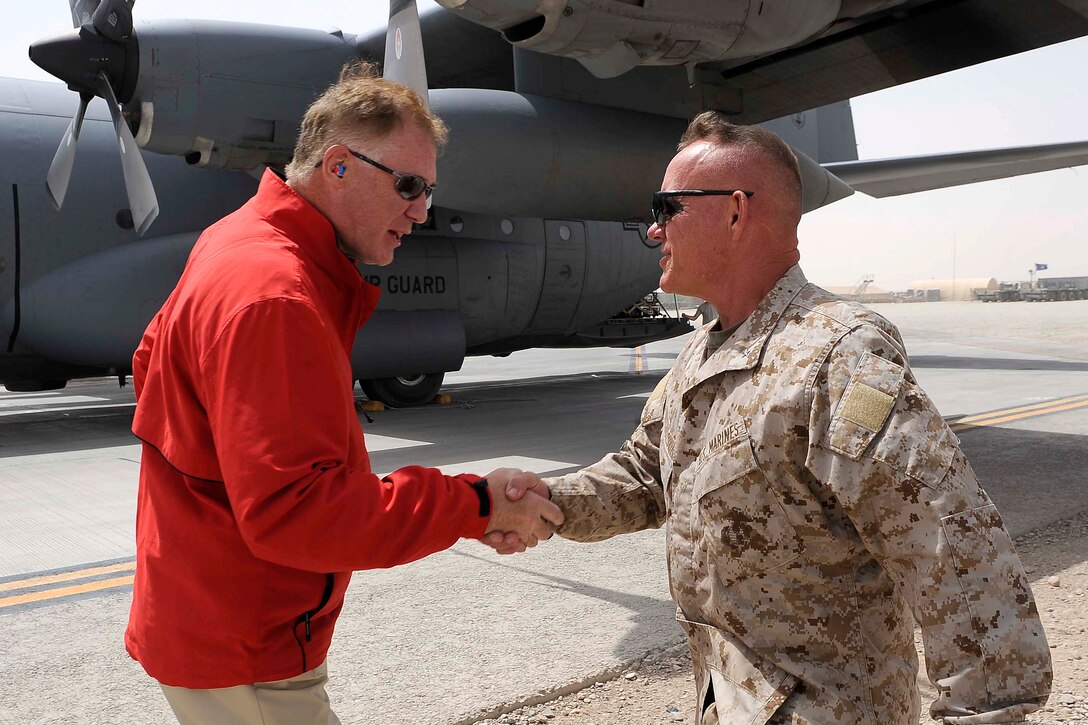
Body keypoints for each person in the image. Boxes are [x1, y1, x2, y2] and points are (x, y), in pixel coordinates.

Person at [503, 114, 1052, 723]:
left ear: (735, 212)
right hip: (733, 702)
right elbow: (645, 471)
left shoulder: (836, 357)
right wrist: (546, 501)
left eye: (668, 207)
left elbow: (952, 547)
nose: (655, 230)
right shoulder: (703, 352)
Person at [125, 61, 562, 725]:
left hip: (214, 623)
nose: (422, 210)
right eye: (409, 185)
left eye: (428, 191)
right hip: (245, 649)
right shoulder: (276, 295)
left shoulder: (238, 245)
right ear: (337, 166)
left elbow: (154, 373)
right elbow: (298, 513)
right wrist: (475, 503)